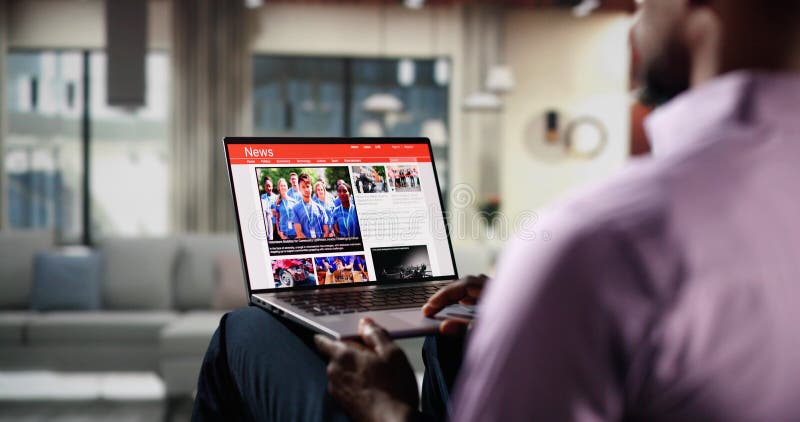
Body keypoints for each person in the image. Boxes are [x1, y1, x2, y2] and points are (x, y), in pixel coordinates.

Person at [194, 1, 800, 420]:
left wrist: (388, 411)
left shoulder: (606, 241)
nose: (635, 18)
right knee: (448, 336)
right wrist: (514, 304)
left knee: (244, 331)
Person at [292, 173, 330, 239]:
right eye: (303, 187)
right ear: (299, 189)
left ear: (311, 188)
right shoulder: (295, 209)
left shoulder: (320, 208)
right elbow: (299, 233)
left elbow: (326, 231)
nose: (306, 189)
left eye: (308, 186)